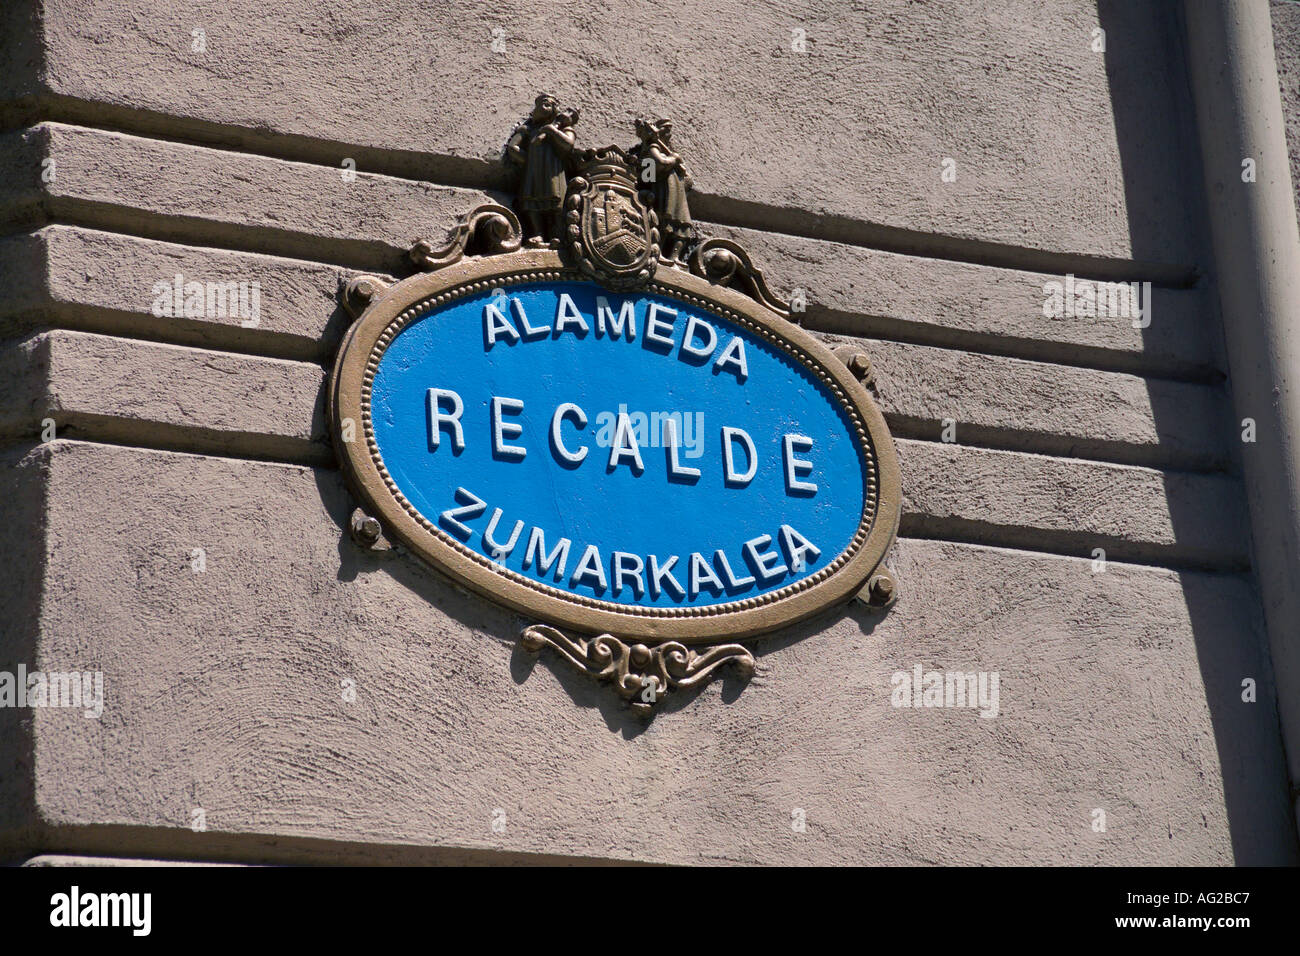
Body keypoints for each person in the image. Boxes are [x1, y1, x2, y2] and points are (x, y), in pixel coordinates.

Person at [506, 95, 576, 244]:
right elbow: (513, 148)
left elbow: (568, 145)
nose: (542, 108)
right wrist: (528, 160)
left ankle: (556, 233)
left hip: (553, 171)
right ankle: (537, 232)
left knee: (555, 200)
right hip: (533, 171)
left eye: (547, 105)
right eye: (540, 105)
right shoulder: (528, 129)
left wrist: (552, 130)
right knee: (531, 199)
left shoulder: (562, 128)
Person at [635, 117, 695, 262]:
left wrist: (682, 173)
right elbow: (649, 175)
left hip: (677, 195)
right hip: (663, 193)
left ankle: (675, 257)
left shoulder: (663, 150)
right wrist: (674, 159)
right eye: (667, 131)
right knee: (664, 223)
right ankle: (659, 252)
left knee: (682, 225)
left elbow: (687, 182)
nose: (670, 135)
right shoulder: (652, 148)